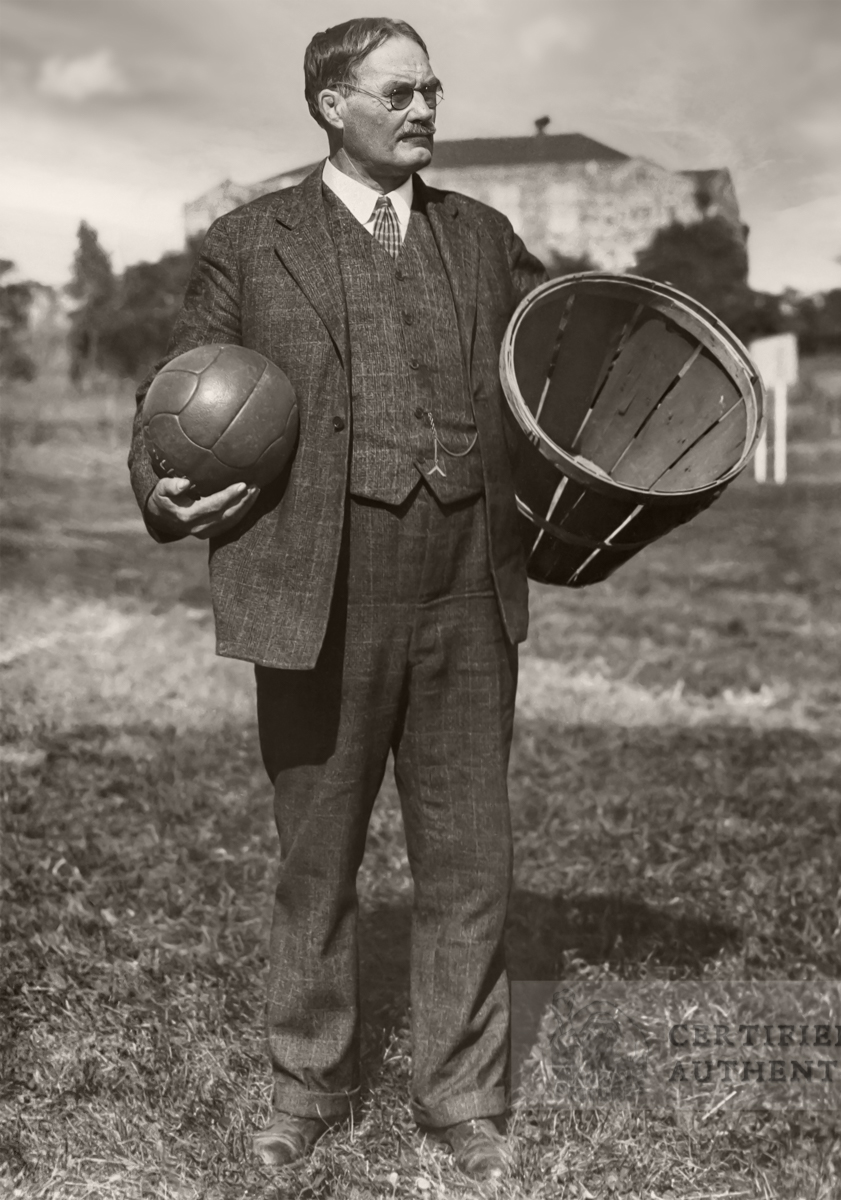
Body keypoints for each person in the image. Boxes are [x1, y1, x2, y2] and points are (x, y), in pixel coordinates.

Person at [128, 16, 547, 1185]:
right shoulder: (251, 242)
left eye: (433, 90)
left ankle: (463, 1096)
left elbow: (545, 378)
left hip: (469, 579)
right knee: (317, 855)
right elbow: (176, 390)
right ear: (329, 103)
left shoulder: (484, 236)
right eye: (399, 91)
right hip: (321, 584)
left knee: (471, 854)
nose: (424, 109)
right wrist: (158, 492)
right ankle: (304, 1085)